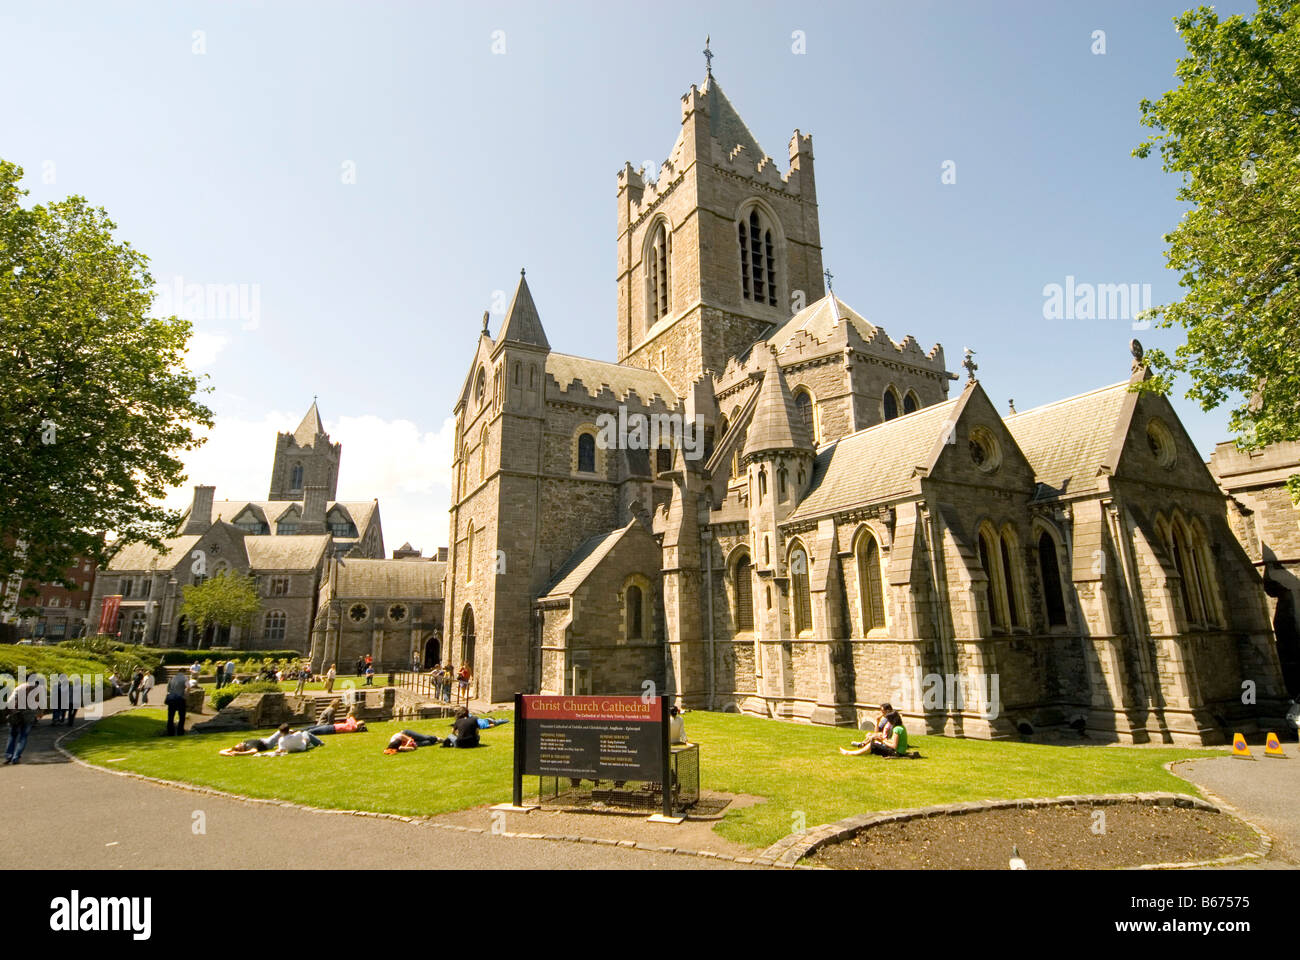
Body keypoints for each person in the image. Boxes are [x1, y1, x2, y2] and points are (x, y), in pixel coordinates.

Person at [4, 674, 44, 763]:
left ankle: (8, 755)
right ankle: (16, 757)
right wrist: (40, 713)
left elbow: (10, 701)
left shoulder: (20, 687)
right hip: (29, 715)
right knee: (23, 736)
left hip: (16, 714)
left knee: (12, 735)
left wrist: (12, 710)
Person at [220, 723, 291, 755]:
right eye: (239, 748)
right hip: (267, 743)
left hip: (263, 740)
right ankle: (300, 732)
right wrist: (239, 753)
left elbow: (221, 751)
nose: (239, 745)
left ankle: (294, 733)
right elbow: (254, 751)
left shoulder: (244, 744)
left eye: (238, 745)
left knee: (283, 735)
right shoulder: (249, 747)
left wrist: (228, 754)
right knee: (281, 731)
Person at [164, 669, 191, 736]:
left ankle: (170, 731)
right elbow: (188, 687)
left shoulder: (172, 678)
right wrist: (186, 695)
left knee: (170, 716)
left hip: (171, 698)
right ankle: (180, 731)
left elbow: (168, 689)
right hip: (180, 698)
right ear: (184, 672)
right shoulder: (185, 678)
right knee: (181, 716)